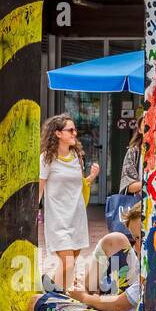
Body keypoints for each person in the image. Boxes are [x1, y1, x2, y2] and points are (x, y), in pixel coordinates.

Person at [29, 201, 142, 311]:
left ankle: (74, 299)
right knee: (114, 240)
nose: (136, 246)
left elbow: (118, 305)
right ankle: (76, 294)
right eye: (136, 238)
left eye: (141, 237)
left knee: (35, 302)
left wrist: (83, 297)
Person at [39, 114, 99, 290]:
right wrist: (32, 215)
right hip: (57, 217)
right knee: (68, 263)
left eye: (74, 129)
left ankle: (57, 294)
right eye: (70, 130)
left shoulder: (76, 155)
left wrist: (92, 177)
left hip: (77, 216)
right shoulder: (46, 158)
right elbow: (40, 187)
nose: (75, 133)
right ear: (57, 133)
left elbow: (80, 184)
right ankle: (54, 301)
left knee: (69, 264)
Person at [119, 114, 145, 194]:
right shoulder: (133, 152)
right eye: (145, 125)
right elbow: (127, 186)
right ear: (140, 130)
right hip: (138, 203)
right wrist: (147, 183)